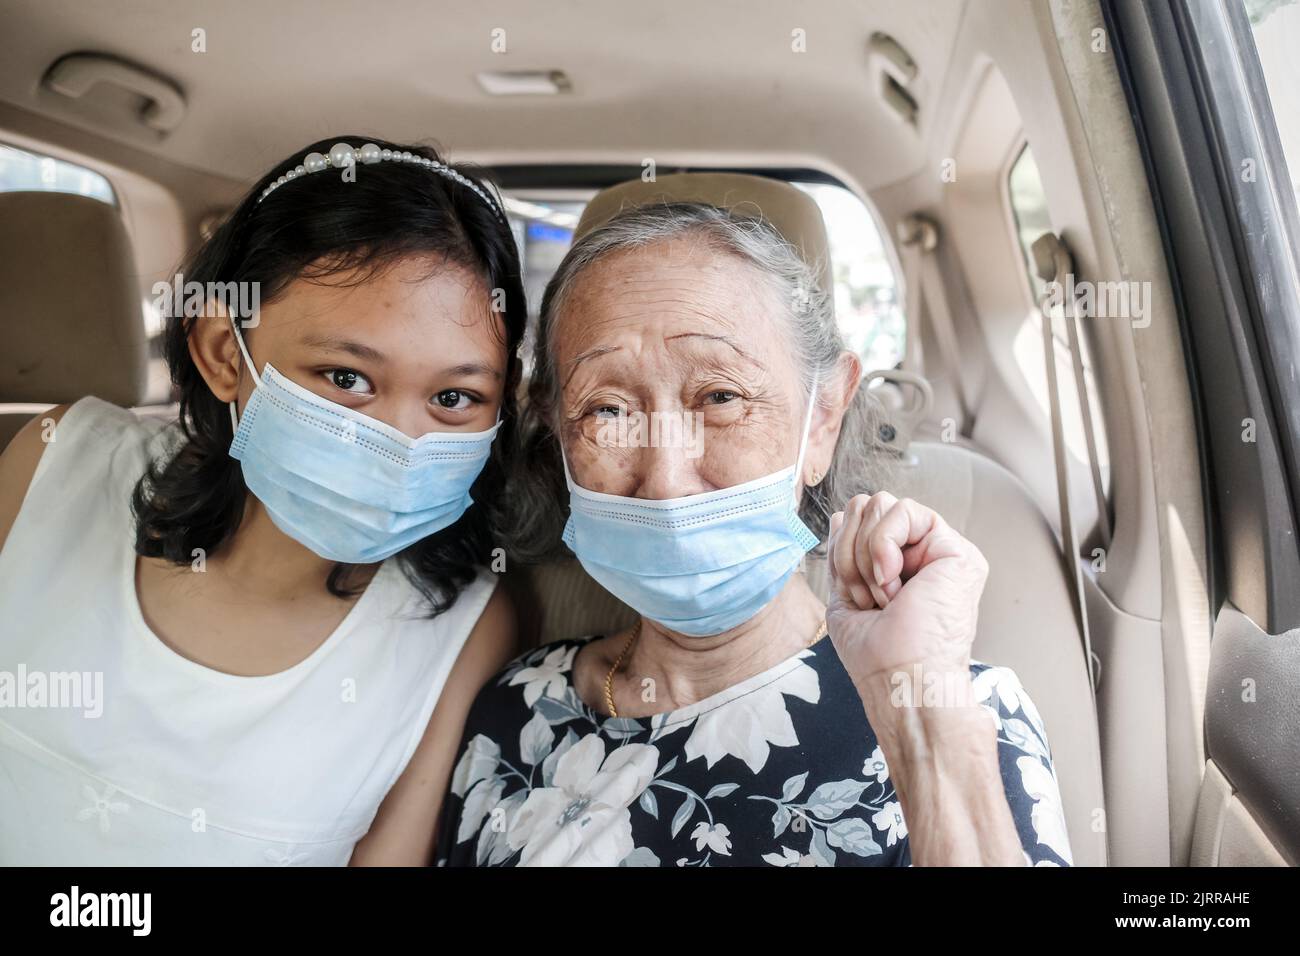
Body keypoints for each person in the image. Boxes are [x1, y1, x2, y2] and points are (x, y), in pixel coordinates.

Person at [436, 200, 1072, 867]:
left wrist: (921, 717)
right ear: (559, 433)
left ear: (822, 419)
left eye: (720, 398)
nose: (667, 478)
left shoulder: (962, 709)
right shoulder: (515, 717)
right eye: (607, 410)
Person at [0, 136, 523, 865]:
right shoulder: (56, 462)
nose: (399, 441)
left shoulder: (464, 624)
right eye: (346, 378)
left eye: (455, 397)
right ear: (222, 353)